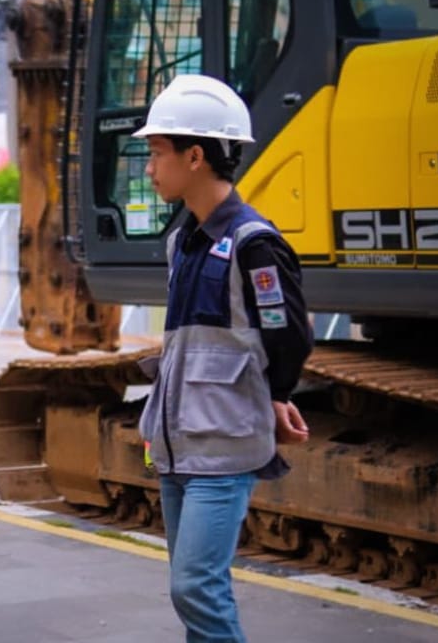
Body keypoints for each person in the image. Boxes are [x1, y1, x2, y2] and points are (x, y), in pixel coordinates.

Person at [134, 74, 313, 642]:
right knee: (193, 594)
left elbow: (290, 335)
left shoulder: (253, 243)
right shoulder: (182, 240)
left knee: (196, 587)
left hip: (225, 448)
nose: (149, 166)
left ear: (195, 155)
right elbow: (186, 349)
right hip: (179, 446)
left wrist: (278, 395)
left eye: (156, 152)